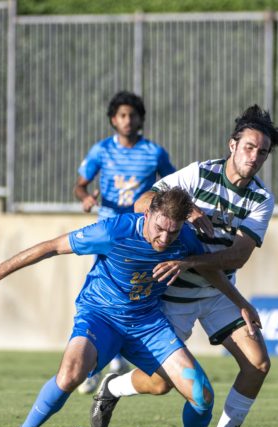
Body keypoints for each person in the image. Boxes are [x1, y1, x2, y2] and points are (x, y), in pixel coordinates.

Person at [0, 187, 261, 427]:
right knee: (69, 376)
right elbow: (52, 247)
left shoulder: (183, 237)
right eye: (160, 227)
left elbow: (209, 269)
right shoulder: (113, 230)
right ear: (148, 214)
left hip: (147, 324)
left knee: (201, 394)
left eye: (172, 231)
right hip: (100, 317)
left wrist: (240, 302)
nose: (164, 237)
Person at [90, 105, 278, 427]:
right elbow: (143, 201)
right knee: (161, 383)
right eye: (248, 147)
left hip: (216, 293)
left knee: (258, 364)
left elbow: (238, 256)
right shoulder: (199, 174)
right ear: (232, 145)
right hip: (173, 295)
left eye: (262, 152)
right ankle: (113, 387)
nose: (254, 157)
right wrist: (189, 208)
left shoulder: (261, 199)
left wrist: (192, 262)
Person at [73, 90, 176, 390]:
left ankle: (117, 355)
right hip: (107, 231)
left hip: (141, 233)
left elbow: (171, 186)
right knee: (105, 289)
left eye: (132, 115)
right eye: (122, 115)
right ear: (113, 119)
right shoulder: (101, 151)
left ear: (141, 118)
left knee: (136, 290)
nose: (127, 120)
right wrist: (86, 198)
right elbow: (80, 185)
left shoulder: (154, 153)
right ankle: (96, 357)